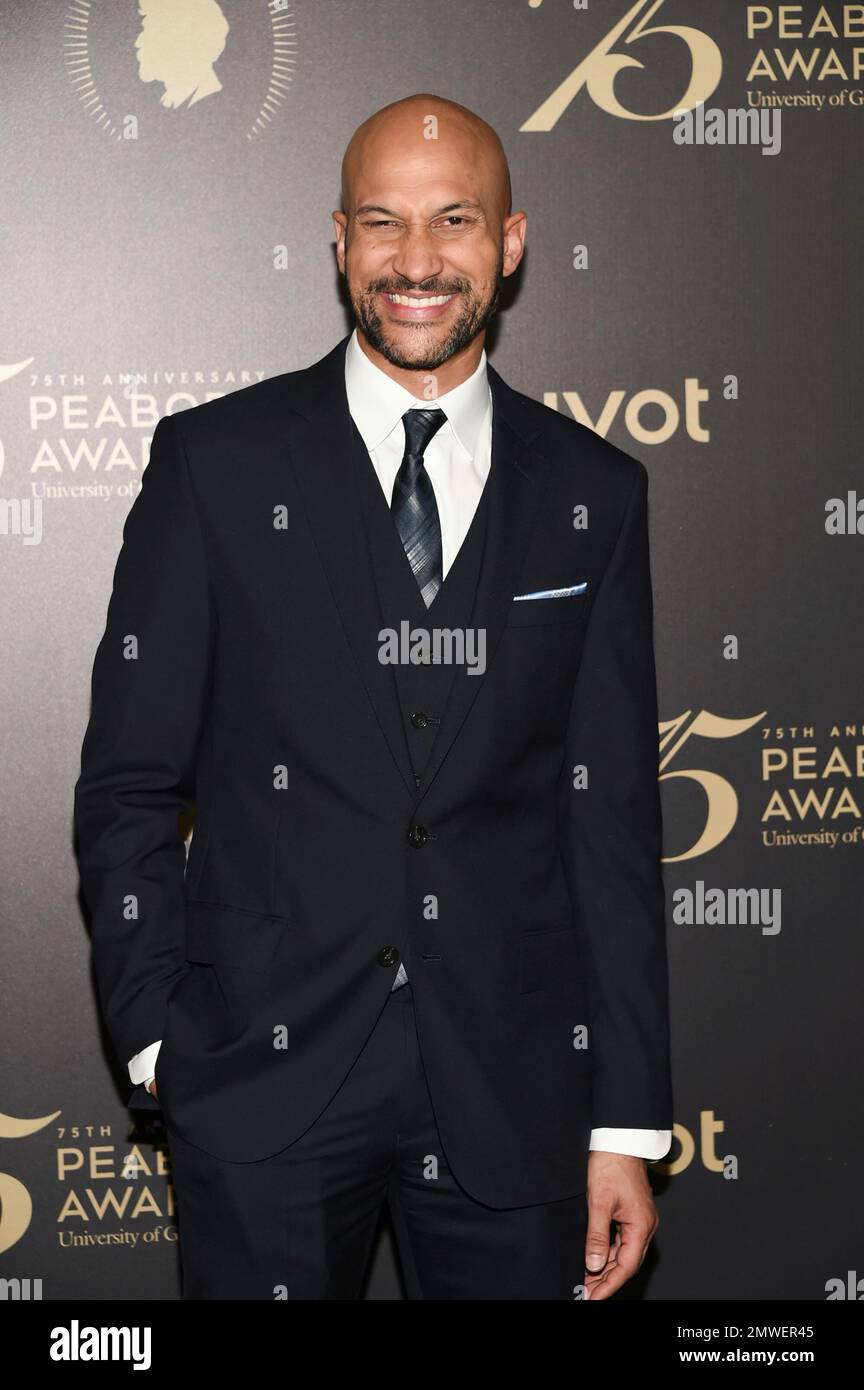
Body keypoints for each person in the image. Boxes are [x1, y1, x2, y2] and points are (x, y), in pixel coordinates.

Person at [74, 92, 673, 1301]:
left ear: (509, 244)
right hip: (264, 1088)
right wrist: (158, 1039)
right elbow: (131, 781)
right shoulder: (216, 465)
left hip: (514, 1092)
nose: (416, 261)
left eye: (454, 221)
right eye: (383, 223)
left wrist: (628, 1120)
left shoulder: (593, 492)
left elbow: (606, 821)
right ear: (339, 239)